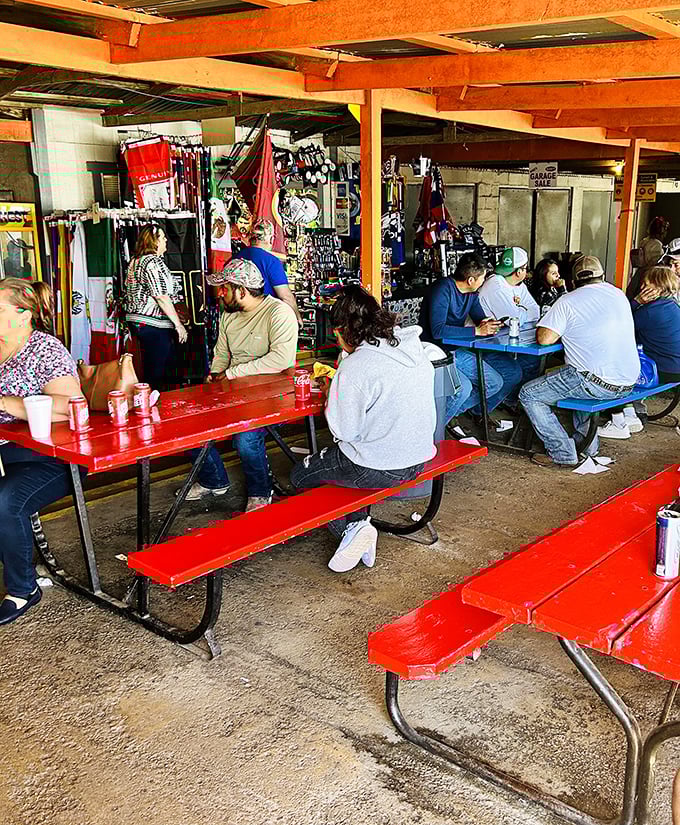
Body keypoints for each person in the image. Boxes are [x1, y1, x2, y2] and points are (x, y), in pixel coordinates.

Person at [290, 285, 436, 572]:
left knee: (300, 477)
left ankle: (354, 530)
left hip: (379, 464)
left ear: (344, 330)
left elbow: (344, 431)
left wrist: (335, 394)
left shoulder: (357, 366)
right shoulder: (412, 349)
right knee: (345, 474)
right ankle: (359, 526)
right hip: (418, 458)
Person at [183, 258, 298, 511]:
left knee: (246, 437)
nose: (220, 294)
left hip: (272, 394)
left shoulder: (278, 313)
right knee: (186, 422)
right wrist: (214, 374)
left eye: (225, 288)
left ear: (242, 291)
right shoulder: (228, 316)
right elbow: (222, 353)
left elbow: (281, 359)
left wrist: (234, 373)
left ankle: (261, 490)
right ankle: (214, 480)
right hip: (233, 390)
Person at [0, 279, 84, 625]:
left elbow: (70, 406)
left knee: (6, 501)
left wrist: (5, 403)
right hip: (6, 452)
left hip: (47, 456)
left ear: (24, 315)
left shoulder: (44, 350)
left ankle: (22, 589)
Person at [519, 255, 640, 468]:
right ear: (602, 277)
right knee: (579, 376)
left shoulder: (568, 300)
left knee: (529, 394)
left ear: (573, 282)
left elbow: (544, 339)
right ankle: (587, 448)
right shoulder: (618, 294)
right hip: (628, 381)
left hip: (594, 382)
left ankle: (562, 453)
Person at [425, 252, 523, 424]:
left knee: (495, 382)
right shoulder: (443, 289)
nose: (484, 282)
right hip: (437, 354)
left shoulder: (471, 293)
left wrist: (490, 324)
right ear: (471, 280)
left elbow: (479, 318)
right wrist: (477, 331)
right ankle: (432, 429)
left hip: (456, 350)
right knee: (463, 389)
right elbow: (438, 331)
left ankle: (452, 415)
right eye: (483, 278)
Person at [599, 265, 680, 440]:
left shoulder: (651, 311)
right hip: (674, 369)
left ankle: (619, 420)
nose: (642, 287)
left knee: (609, 371)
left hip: (664, 370)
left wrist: (636, 301)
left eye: (646, 284)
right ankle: (630, 413)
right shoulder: (672, 305)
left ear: (658, 287)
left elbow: (615, 324)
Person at [125, 225, 188, 391]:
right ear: (154, 241)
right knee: (158, 371)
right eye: (162, 237)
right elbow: (160, 296)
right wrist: (178, 325)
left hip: (140, 321)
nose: (166, 240)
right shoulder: (151, 262)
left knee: (151, 366)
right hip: (153, 323)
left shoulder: (135, 261)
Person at [234, 219, 303, 326]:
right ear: (271, 238)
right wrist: (297, 318)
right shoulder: (271, 261)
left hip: (238, 320)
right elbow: (285, 296)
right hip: (264, 320)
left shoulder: (235, 258)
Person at [479, 246, 540, 325]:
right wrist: (523, 308)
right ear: (519, 272)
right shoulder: (496, 286)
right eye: (526, 268)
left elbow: (536, 312)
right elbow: (513, 321)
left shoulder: (520, 285)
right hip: (479, 336)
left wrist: (517, 311)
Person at [626, 216, 670, 300]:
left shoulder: (645, 240)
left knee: (632, 292)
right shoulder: (656, 244)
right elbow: (655, 261)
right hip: (649, 273)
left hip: (640, 271)